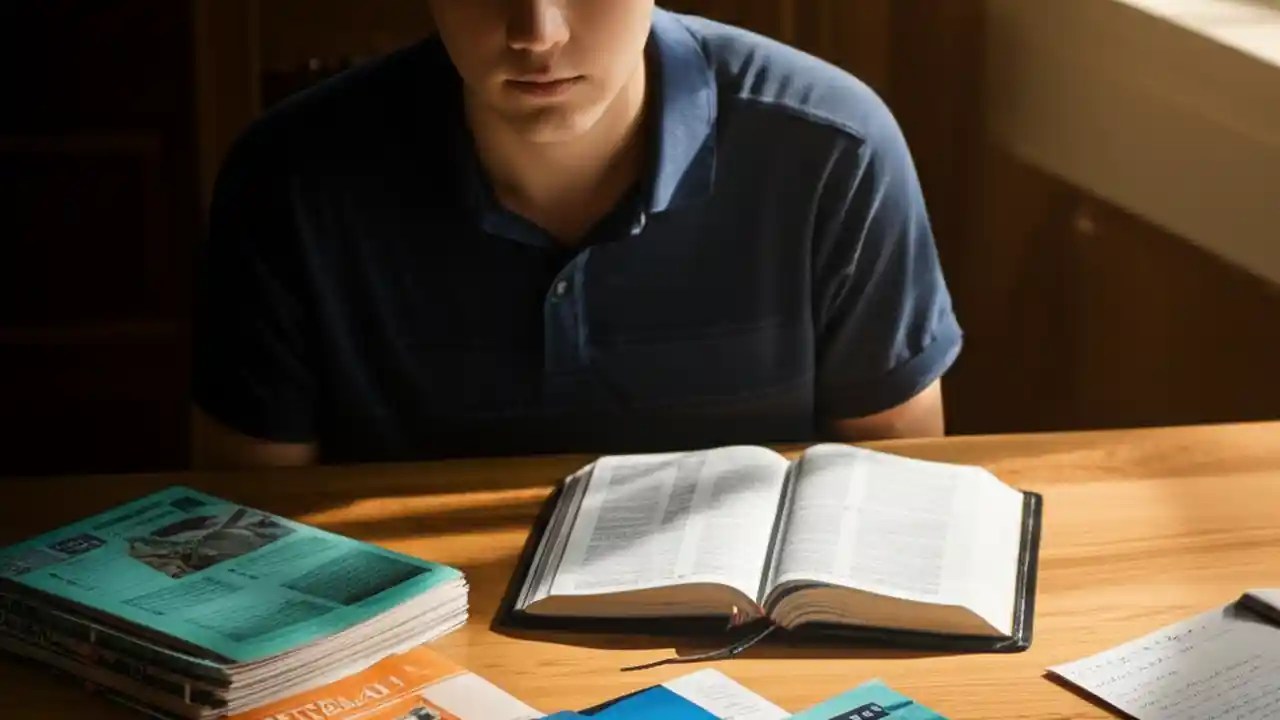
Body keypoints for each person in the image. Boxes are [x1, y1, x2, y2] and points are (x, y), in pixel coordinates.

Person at [191, 1, 963, 469]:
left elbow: (895, 481)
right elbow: (259, 526)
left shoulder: (833, 148)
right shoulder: (288, 180)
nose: (536, 30)